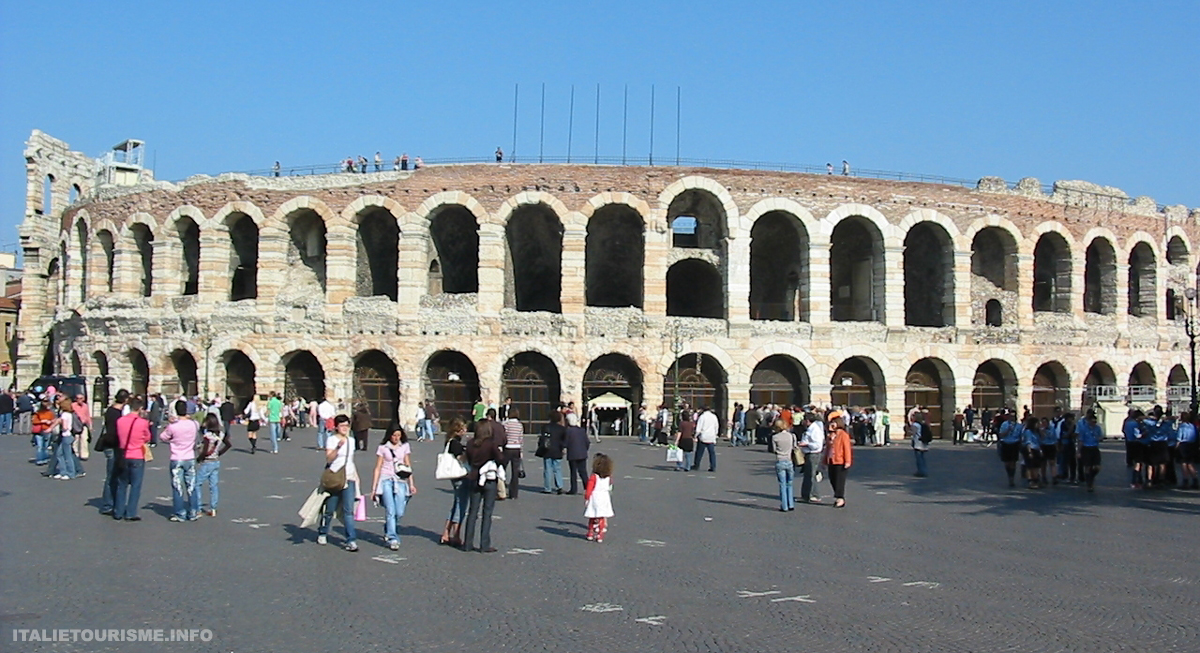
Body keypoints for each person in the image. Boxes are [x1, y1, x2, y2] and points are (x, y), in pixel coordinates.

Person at [461, 416, 505, 553]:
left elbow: (467, 460)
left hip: (474, 477)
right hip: (489, 479)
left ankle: (467, 543)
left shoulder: (470, 443)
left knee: (472, 512)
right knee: (487, 512)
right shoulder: (491, 444)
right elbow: (500, 459)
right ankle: (484, 544)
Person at [317, 415, 360, 552]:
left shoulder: (352, 441)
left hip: (349, 477)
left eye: (347, 425)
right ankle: (323, 532)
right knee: (330, 509)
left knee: (348, 511)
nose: (345, 428)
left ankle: (351, 540)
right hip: (335, 477)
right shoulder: (332, 440)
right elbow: (329, 459)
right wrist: (337, 447)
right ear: (336, 427)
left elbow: (351, 460)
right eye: (342, 426)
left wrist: (357, 478)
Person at [371, 426, 416, 551]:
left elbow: (408, 465)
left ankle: (389, 528)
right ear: (389, 435)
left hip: (400, 480)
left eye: (398, 435)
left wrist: (411, 484)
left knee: (399, 511)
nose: (396, 438)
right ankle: (392, 538)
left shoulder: (404, 446)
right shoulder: (383, 448)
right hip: (386, 479)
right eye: (394, 435)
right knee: (390, 510)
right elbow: (378, 467)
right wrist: (374, 488)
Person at [113, 397, 152, 521]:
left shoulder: (120, 421)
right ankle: (131, 512)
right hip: (137, 455)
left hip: (123, 454)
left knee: (122, 484)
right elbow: (147, 437)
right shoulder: (143, 423)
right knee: (135, 485)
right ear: (140, 408)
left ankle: (118, 511)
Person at [159, 402, 200, 521]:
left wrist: (170, 424)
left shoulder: (173, 426)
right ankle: (193, 511)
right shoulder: (194, 424)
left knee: (177, 487)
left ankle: (180, 513)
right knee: (191, 486)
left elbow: (163, 437)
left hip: (177, 457)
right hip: (190, 456)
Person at [96, 389, 129, 515]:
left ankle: (111, 503)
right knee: (112, 476)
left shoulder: (110, 410)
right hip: (113, 445)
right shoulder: (117, 413)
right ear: (125, 400)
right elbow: (115, 432)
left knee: (113, 475)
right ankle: (108, 504)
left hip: (109, 445)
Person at [439, 418, 472, 546]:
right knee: (460, 505)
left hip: (455, 476)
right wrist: (469, 450)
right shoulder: (455, 443)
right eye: (463, 428)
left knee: (456, 504)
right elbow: (461, 458)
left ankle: (446, 533)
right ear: (458, 430)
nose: (465, 430)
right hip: (460, 476)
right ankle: (456, 534)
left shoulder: (449, 441)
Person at [196, 414, 231, 516]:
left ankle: (198, 508)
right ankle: (213, 508)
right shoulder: (221, 434)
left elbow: (205, 451)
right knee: (213, 485)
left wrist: (199, 459)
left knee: (197, 484)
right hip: (216, 461)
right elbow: (228, 445)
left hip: (207, 462)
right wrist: (219, 453)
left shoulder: (208, 436)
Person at [824, 412, 853, 508]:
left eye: (833, 423)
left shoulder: (843, 435)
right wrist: (824, 461)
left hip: (840, 460)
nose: (831, 425)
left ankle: (840, 498)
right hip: (831, 459)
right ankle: (838, 496)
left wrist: (847, 461)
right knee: (832, 479)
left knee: (839, 480)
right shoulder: (830, 435)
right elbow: (827, 449)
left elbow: (847, 448)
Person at [584, 453, 614, 543]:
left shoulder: (594, 477)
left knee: (592, 516)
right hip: (604, 497)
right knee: (601, 516)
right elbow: (610, 487)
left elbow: (589, 489)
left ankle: (590, 532)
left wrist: (587, 498)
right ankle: (600, 534)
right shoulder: (608, 477)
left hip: (595, 497)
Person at [51, 396, 83, 480]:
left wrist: (60, 423)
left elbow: (65, 427)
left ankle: (70, 473)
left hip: (66, 435)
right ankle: (63, 472)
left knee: (67, 455)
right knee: (60, 453)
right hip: (69, 435)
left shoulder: (64, 415)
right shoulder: (69, 414)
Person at [798, 413, 825, 503]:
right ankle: (806, 495)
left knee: (811, 475)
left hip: (813, 454)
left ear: (807, 421)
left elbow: (817, 445)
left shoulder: (815, 430)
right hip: (808, 453)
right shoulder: (810, 429)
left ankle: (814, 495)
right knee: (807, 475)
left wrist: (806, 444)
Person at [770, 418, 796, 512]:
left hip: (780, 460)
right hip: (789, 460)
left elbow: (774, 450)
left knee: (782, 484)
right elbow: (794, 447)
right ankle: (791, 503)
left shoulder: (775, 437)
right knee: (790, 483)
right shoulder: (791, 436)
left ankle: (784, 505)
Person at [1076, 409, 1104, 492]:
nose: (1093, 423)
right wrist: (1078, 451)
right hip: (1086, 448)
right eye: (1092, 422)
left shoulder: (1097, 428)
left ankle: (1091, 477)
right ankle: (1089, 483)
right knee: (1087, 467)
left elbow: (1101, 437)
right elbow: (1081, 440)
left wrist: (1099, 438)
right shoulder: (1084, 429)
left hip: (1094, 448)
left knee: (1097, 467)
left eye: (1095, 422)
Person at [539, 411, 566, 494]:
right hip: (557, 450)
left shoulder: (545, 427)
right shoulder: (562, 428)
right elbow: (564, 440)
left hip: (547, 450)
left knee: (547, 469)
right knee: (557, 468)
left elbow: (542, 438)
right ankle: (559, 486)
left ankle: (547, 488)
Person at [501, 407, 524, 499]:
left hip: (507, 448)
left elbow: (503, 436)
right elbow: (521, 438)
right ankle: (514, 493)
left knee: (502, 469)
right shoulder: (519, 425)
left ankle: (501, 489)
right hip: (516, 448)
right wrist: (521, 450)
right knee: (515, 472)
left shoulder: (505, 424)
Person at [565, 417, 590, 494]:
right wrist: (585, 449)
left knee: (573, 472)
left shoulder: (568, 431)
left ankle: (574, 489)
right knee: (583, 472)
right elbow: (587, 442)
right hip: (582, 453)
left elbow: (565, 442)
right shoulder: (582, 430)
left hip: (572, 454)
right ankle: (588, 487)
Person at [997, 411, 1022, 487]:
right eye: (1011, 416)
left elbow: (1021, 436)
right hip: (1006, 444)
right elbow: (1001, 435)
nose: (1012, 418)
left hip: (1014, 444)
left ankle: (1012, 478)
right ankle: (1009, 474)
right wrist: (1007, 430)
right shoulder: (1004, 424)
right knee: (1007, 463)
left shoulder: (1019, 426)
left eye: (1014, 416)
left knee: (1013, 462)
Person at [692, 405, 719, 472]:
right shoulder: (714, 416)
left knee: (699, 452)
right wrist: (715, 434)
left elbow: (699, 428)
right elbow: (716, 426)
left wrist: (695, 435)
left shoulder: (702, 417)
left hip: (703, 436)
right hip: (711, 436)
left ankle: (696, 465)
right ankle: (713, 466)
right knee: (712, 453)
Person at [1176, 411, 1198, 490]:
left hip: (1183, 445)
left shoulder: (1182, 426)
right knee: (1190, 463)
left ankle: (1185, 480)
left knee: (1184, 464)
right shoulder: (1192, 426)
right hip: (1191, 445)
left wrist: (1176, 447)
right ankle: (1195, 480)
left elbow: (1179, 437)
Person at [1021, 417, 1044, 489]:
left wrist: (1041, 431)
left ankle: (1036, 480)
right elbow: (1028, 442)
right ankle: (1031, 481)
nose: (1038, 424)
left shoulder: (1036, 432)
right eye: (1037, 423)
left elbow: (1041, 440)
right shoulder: (1028, 431)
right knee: (1030, 466)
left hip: (1037, 449)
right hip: (1030, 449)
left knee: (1036, 466)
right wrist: (1029, 452)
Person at [911, 411, 931, 478]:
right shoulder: (923, 424)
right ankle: (924, 471)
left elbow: (913, 433)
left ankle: (921, 472)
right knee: (922, 458)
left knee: (919, 459)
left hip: (918, 443)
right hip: (923, 443)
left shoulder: (915, 425)